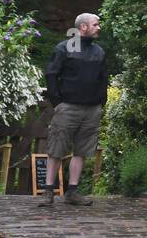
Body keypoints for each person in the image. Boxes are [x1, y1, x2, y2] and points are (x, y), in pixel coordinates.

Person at [41, 12, 108, 206]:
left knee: (82, 151)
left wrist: (100, 103)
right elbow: (51, 75)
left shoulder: (99, 52)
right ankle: (48, 192)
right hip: (67, 107)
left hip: (92, 109)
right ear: (83, 27)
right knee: (56, 149)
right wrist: (58, 102)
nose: (99, 27)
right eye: (95, 24)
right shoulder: (63, 49)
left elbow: (104, 79)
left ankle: (73, 192)